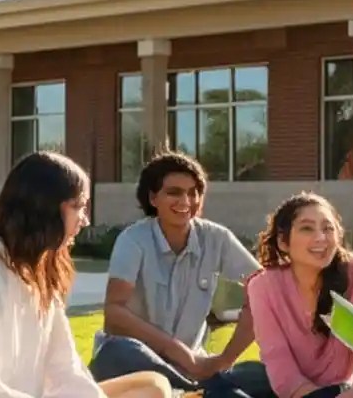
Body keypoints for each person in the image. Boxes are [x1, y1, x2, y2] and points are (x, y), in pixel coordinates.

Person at [0, 150, 172, 398]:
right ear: (44, 210)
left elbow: (66, 372)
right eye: (78, 207)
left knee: (153, 387)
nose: (85, 220)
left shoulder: (37, 277)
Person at [91, 151, 267, 398]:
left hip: (195, 367)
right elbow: (114, 313)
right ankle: (198, 391)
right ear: (153, 198)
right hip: (138, 363)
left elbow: (266, 291)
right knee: (116, 352)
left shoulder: (216, 238)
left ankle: (195, 391)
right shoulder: (132, 240)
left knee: (263, 376)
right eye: (174, 192)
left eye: (193, 192)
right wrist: (177, 351)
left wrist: (226, 358)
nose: (186, 200)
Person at [246, 192, 353, 398]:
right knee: (228, 383)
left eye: (328, 228)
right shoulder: (262, 286)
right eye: (307, 228)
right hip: (286, 389)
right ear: (283, 242)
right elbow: (279, 362)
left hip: (338, 388)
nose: (320, 238)